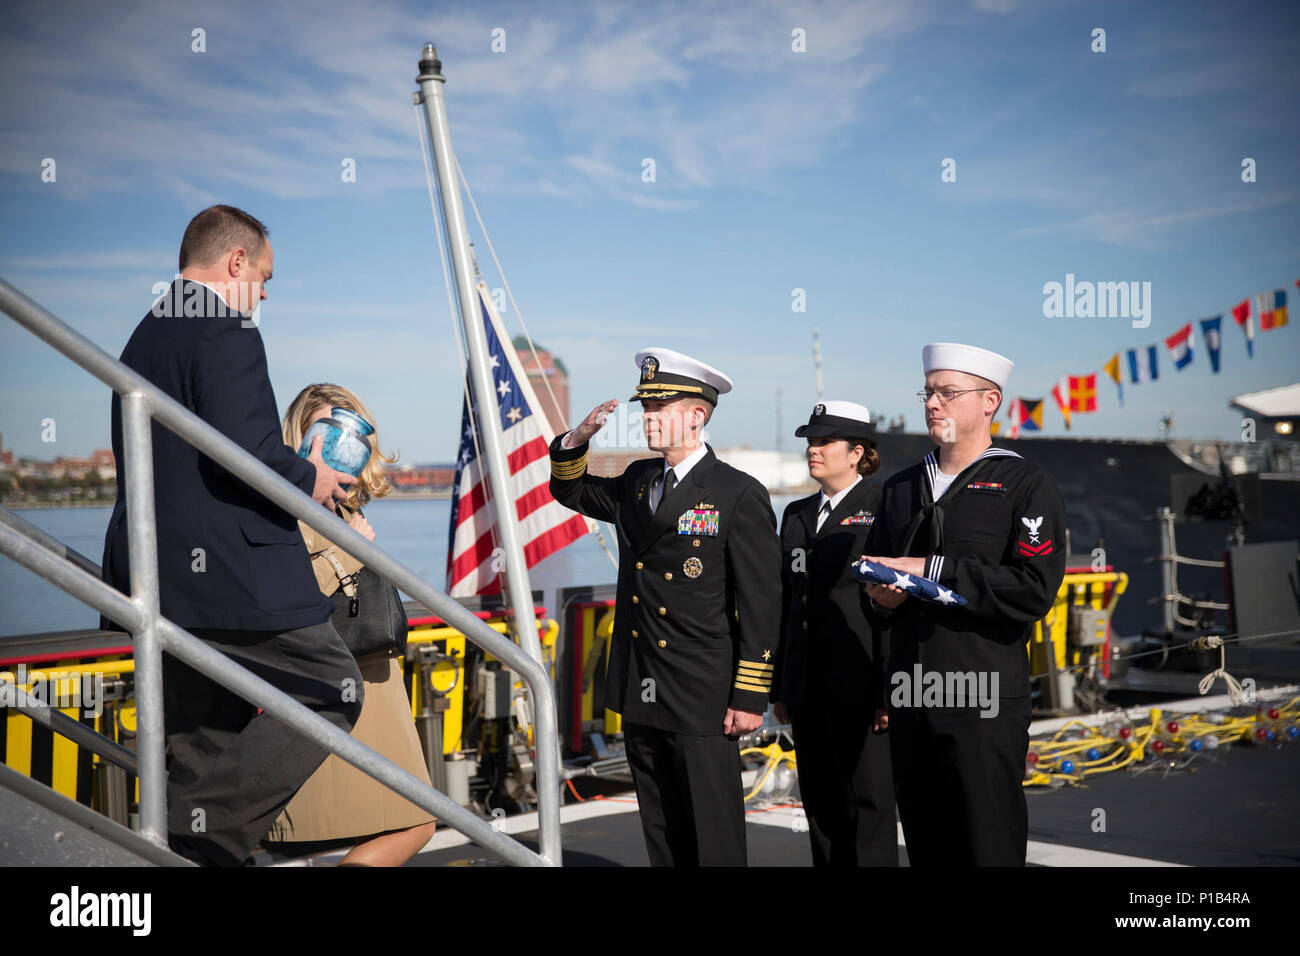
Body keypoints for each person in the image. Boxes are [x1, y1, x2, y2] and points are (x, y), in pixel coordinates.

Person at [99, 205, 363, 866]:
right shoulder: (223, 327)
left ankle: (191, 850)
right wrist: (311, 478)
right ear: (236, 261)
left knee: (204, 733)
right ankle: (198, 840)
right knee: (332, 688)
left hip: (157, 576)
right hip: (228, 573)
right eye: (265, 277)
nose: (265, 294)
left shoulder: (147, 333)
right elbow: (246, 452)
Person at [548, 348, 782, 866]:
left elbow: (762, 602)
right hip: (641, 680)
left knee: (712, 829)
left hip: (702, 689)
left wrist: (750, 694)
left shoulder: (736, 492)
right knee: (660, 824)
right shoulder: (637, 480)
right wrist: (579, 438)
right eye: (646, 408)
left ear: (696, 415)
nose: (647, 418)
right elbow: (571, 490)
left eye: (659, 408)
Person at [861, 343, 1066, 866]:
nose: (933, 403)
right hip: (911, 695)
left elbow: (1033, 589)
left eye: (948, 393)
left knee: (986, 845)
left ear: (989, 400)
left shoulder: (1026, 485)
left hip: (984, 697)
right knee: (927, 847)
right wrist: (881, 600)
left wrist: (933, 571)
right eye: (929, 393)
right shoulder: (900, 489)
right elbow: (876, 599)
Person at [261, 384, 439, 865]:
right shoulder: (286, 506)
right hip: (338, 680)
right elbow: (285, 599)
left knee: (414, 819)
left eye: (350, 434)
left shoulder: (340, 505)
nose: (342, 445)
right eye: (328, 431)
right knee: (415, 820)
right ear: (302, 437)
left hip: (372, 677)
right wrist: (349, 549)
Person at [771, 401, 896, 866]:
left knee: (868, 805)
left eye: (825, 442)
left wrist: (888, 690)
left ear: (857, 453)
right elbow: (788, 601)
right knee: (821, 805)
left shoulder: (884, 507)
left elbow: (896, 607)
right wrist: (781, 685)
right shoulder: (797, 514)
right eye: (811, 441)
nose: (813, 449)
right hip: (808, 688)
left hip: (862, 685)